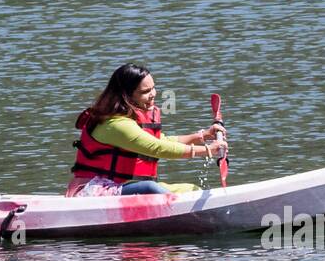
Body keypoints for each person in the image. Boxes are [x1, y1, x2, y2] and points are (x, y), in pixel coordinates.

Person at [67, 63, 226, 197]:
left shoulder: (128, 118)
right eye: (145, 92)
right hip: (92, 192)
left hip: (120, 187)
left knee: (191, 190)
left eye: (153, 88)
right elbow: (157, 148)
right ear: (126, 96)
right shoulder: (116, 124)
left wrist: (202, 136)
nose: (153, 95)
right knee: (149, 188)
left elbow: (159, 141)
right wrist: (208, 150)